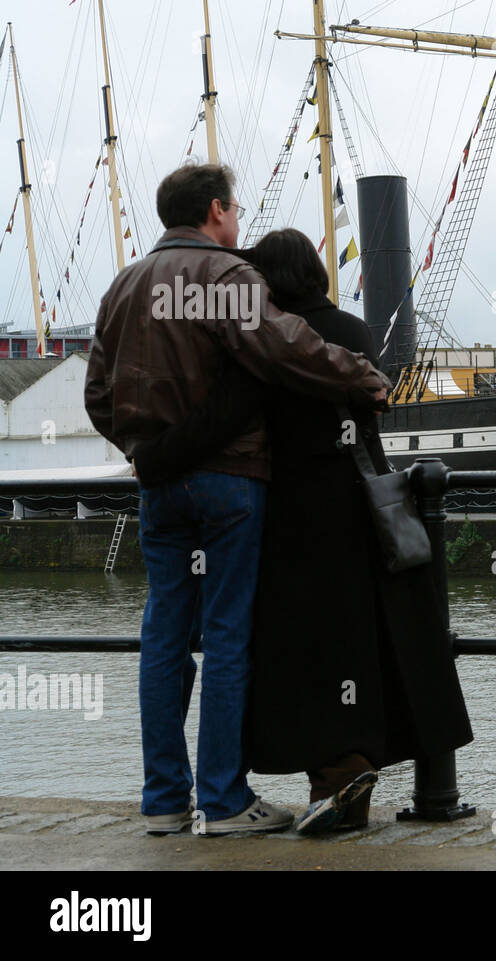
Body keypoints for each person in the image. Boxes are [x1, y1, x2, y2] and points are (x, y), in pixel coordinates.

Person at [85, 163, 391, 837]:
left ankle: (164, 797)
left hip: (158, 485)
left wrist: (144, 446)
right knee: (226, 633)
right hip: (229, 479)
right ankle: (222, 799)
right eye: (234, 208)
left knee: (164, 634)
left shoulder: (123, 286)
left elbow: (98, 397)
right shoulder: (224, 276)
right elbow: (288, 347)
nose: (238, 221)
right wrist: (362, 374)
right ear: (215, 211)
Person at [134, 227, 473, 834]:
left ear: (266, 282)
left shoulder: (266, 345)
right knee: (358, 647)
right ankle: (354, 774)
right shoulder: (353, 331)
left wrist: (155, 458)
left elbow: (226, 417)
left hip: (289, 519)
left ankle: (324, 778)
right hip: (362, 516)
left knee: (293, 651)